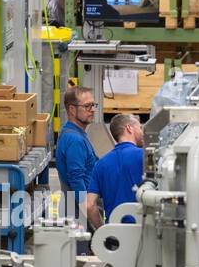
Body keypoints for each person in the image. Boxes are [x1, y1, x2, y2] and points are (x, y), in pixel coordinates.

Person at [86, 113, 145, 228]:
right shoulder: (144, 156)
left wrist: (102, 230)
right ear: (129, 128)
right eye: (140, 128)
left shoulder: (101, 164)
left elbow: (89, 205)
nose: (143, 132)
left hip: (114, 236)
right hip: (141, 232)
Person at [56, 86, 99, 215]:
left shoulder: (74, 132)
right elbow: (76, 180)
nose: (92, 110)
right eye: (87, 106)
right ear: (72, 110)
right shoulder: (75, 140)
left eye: (93, 105)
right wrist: (92, 216)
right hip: (78, 214)